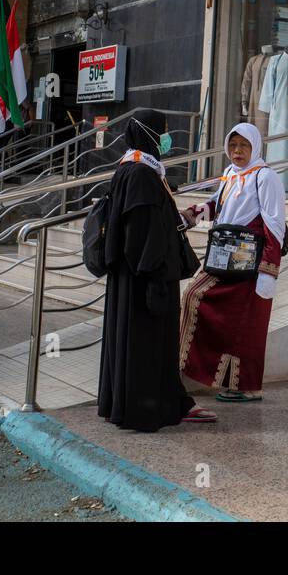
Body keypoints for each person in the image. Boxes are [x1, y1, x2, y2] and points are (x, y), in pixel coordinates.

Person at [98, 112, 217, 429]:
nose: (168, 138)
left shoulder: (131, 169)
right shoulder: (142, 174)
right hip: (146, 278)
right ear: (151, 135)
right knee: (145, 344)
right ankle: (144, 410)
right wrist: (155, 273)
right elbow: (142, 231)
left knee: (130, 342)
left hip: (130, 277)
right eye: (164, 132)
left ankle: (125, 404)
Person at [179, 122, 286, 402]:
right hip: (224, 255)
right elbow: (217, 204)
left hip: (250, 263)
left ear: (255, 147)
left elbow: (274, 224)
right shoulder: (230, 173)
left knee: (246, 325)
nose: (237, 151)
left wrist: (268, 270)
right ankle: (210, 374)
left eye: (244, 146)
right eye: (233, 145)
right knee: (199, 301)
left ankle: (248, 386)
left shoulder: (265, 177)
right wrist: (190, 215)